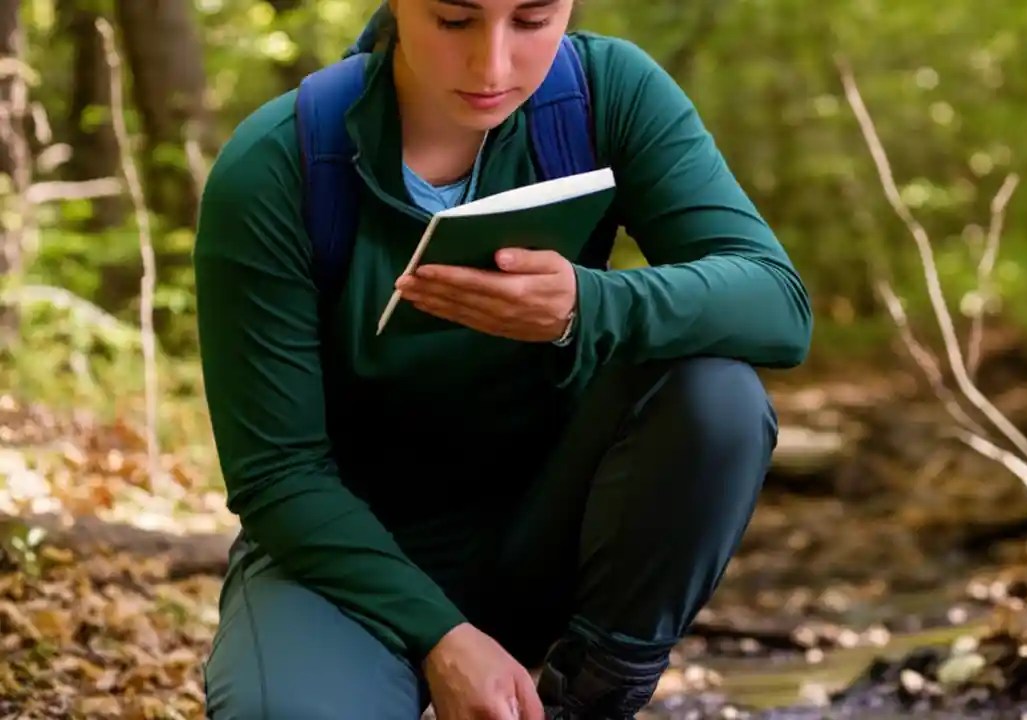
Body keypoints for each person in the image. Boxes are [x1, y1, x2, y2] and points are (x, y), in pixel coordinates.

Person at [193, 0, 812, 717]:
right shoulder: (282, 163)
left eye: (532, 19)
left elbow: (777, 305)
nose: (493, 65)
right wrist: (444, 637)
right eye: (455, 21)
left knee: (716, 395)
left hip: (552, 525)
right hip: (346, 550)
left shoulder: (606, 96)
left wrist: (587, 306)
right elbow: (277, 474)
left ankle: (586, 699)